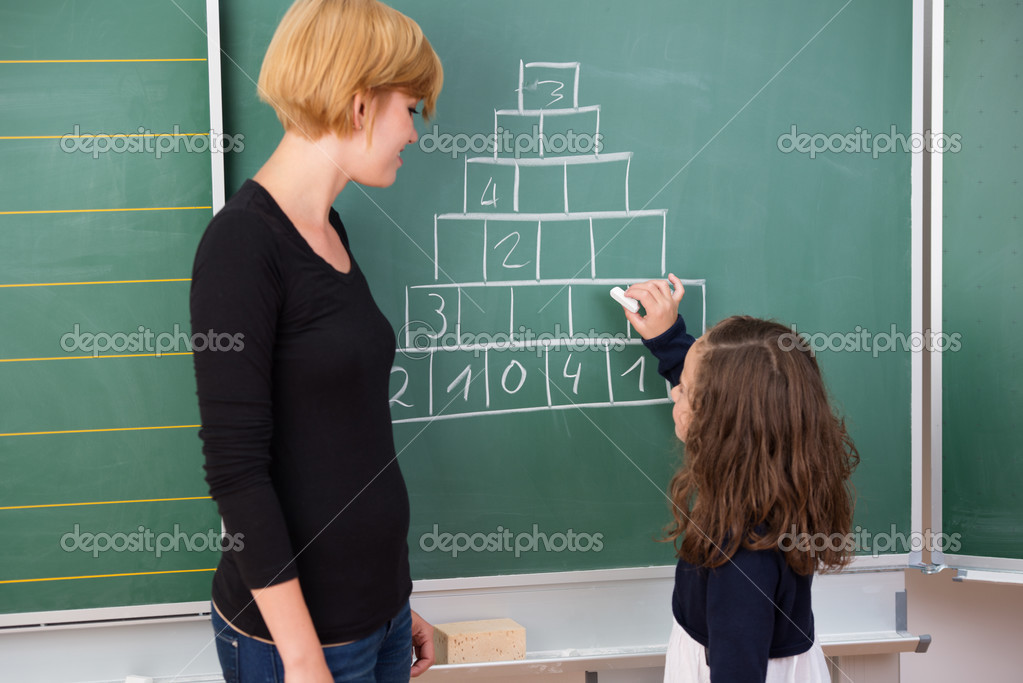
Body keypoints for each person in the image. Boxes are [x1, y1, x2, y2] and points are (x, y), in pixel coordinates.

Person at [189, 1, 443, 680]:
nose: (414, 133)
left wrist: (392, 598)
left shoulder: (330, 231)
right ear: (360, 105)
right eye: (410, 109)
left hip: (377, 617)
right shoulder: (242, 245)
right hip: (301, 645)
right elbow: (236, 471)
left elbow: (348, 440)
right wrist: (303, 657)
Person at [621, 277, 859, 683]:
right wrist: (668, 337)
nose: (675, 393)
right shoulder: (774, 481)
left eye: (685, 391)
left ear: (718, 425)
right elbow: (732, 396)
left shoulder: (740, 560)